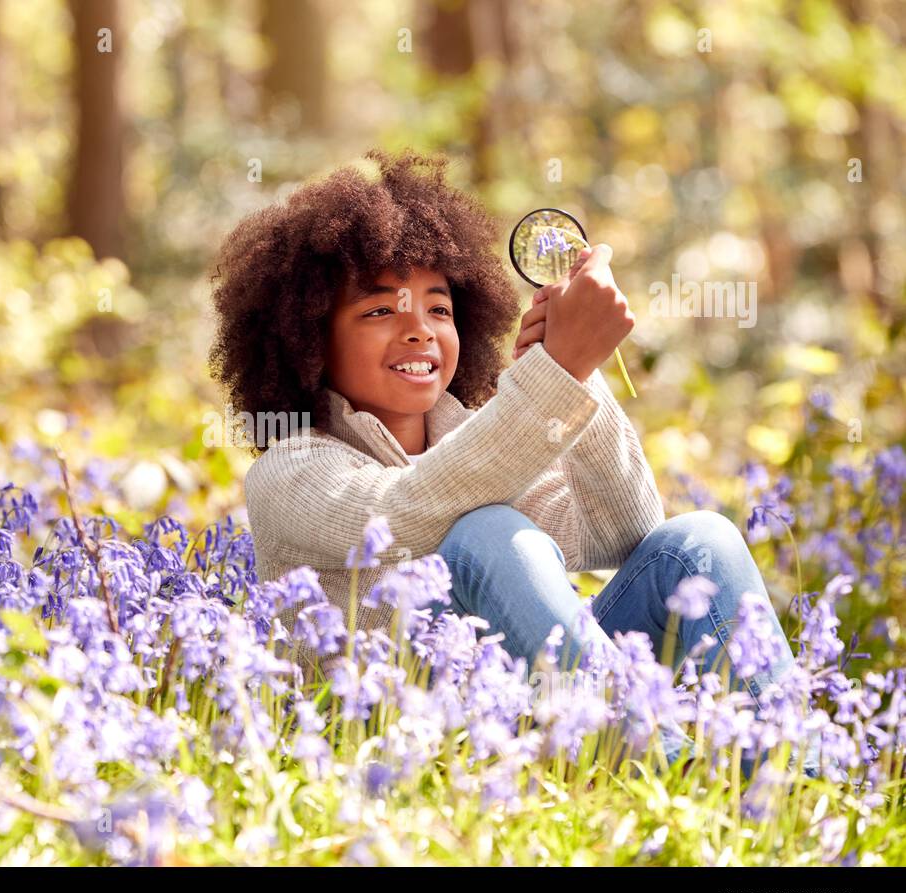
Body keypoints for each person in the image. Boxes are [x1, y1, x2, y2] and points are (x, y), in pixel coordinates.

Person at [210, 149, 819, 776]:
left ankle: (798, 781)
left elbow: (626, 530)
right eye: (378, 310)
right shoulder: (290, 470)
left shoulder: (481, 441)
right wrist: (556, 374)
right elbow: (403, 512)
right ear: (308, 339)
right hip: (401, 748)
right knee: (486, 530)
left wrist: (576, 373)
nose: (419, 328)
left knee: (697, 543)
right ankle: (670, 777)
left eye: (439, 308)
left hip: (527, 714)